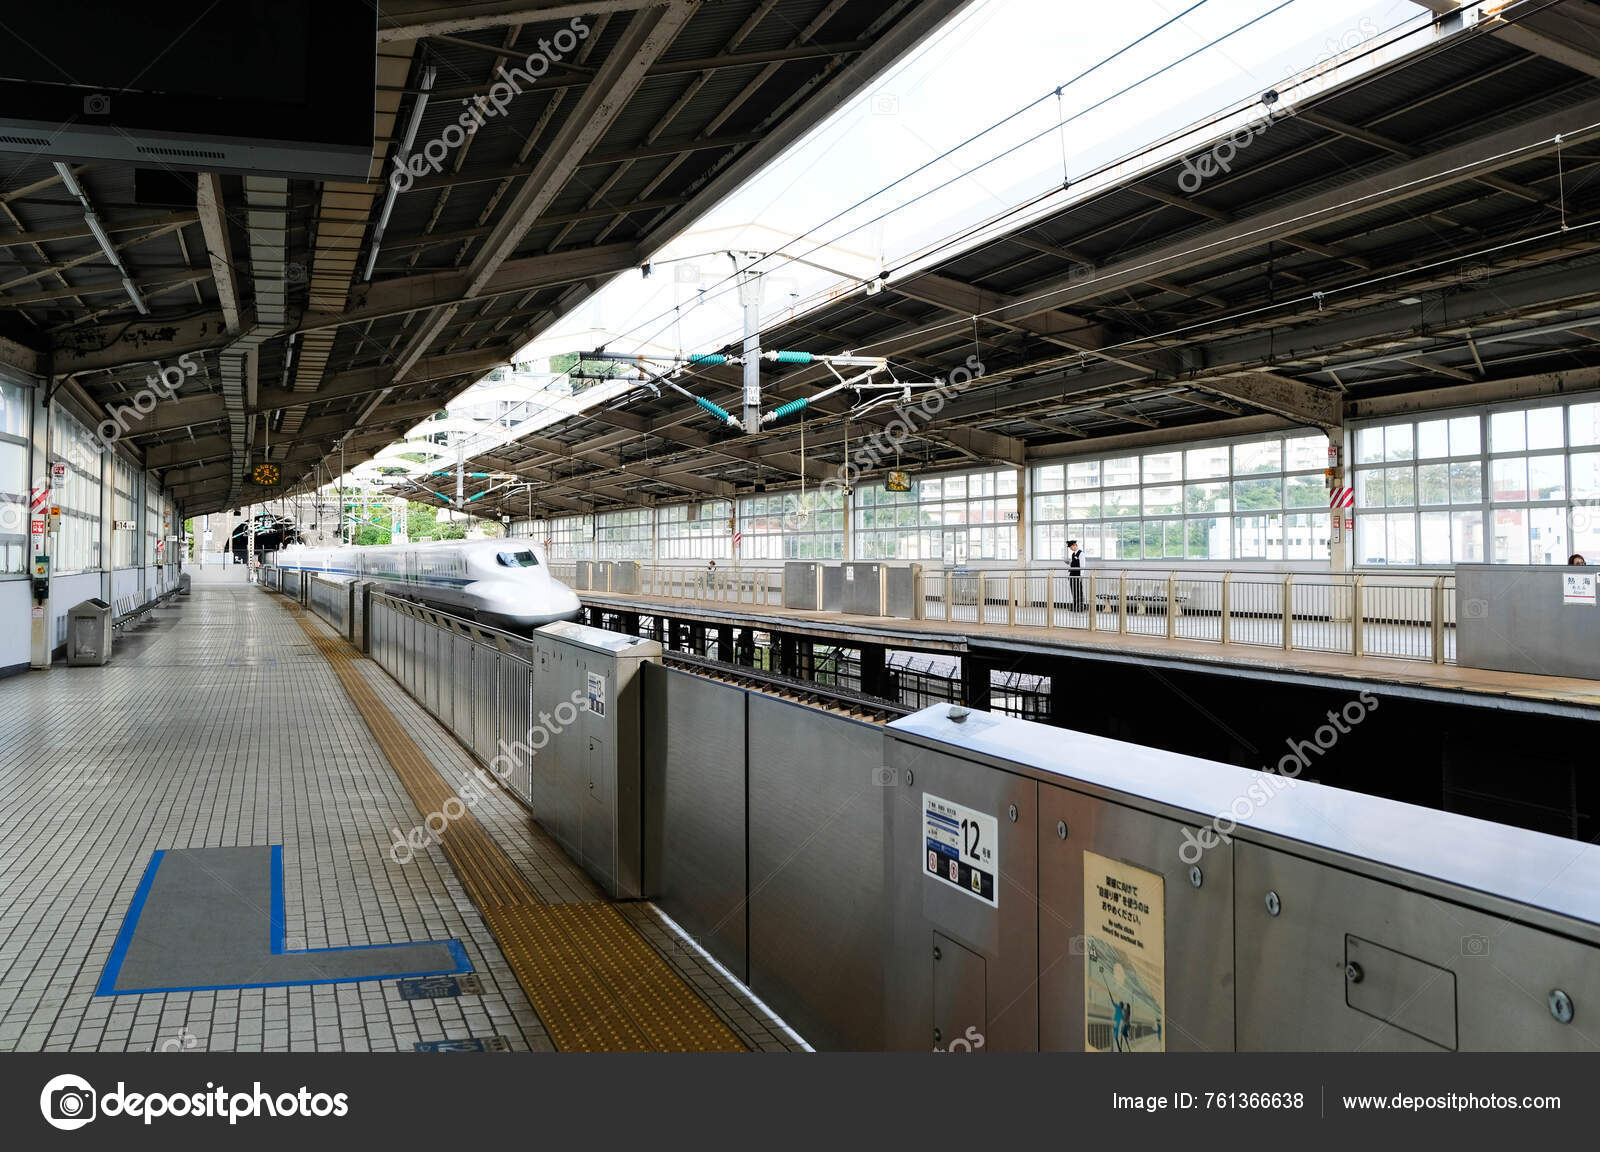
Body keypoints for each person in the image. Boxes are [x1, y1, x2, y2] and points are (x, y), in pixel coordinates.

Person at [1067, 539, 1085, 612]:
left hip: (1077, 575)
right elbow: (1073, 564)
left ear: (1075, 545)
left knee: (1078, 590)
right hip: (1072, 575)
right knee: (1073, 590)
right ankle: (1075, 605)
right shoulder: (1073, 554)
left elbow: (1082, 565)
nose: (1070, 549)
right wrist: (1069, 563)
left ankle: (1080, 606)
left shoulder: (1081, 554)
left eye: (1071, 547)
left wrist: (1081, 575)